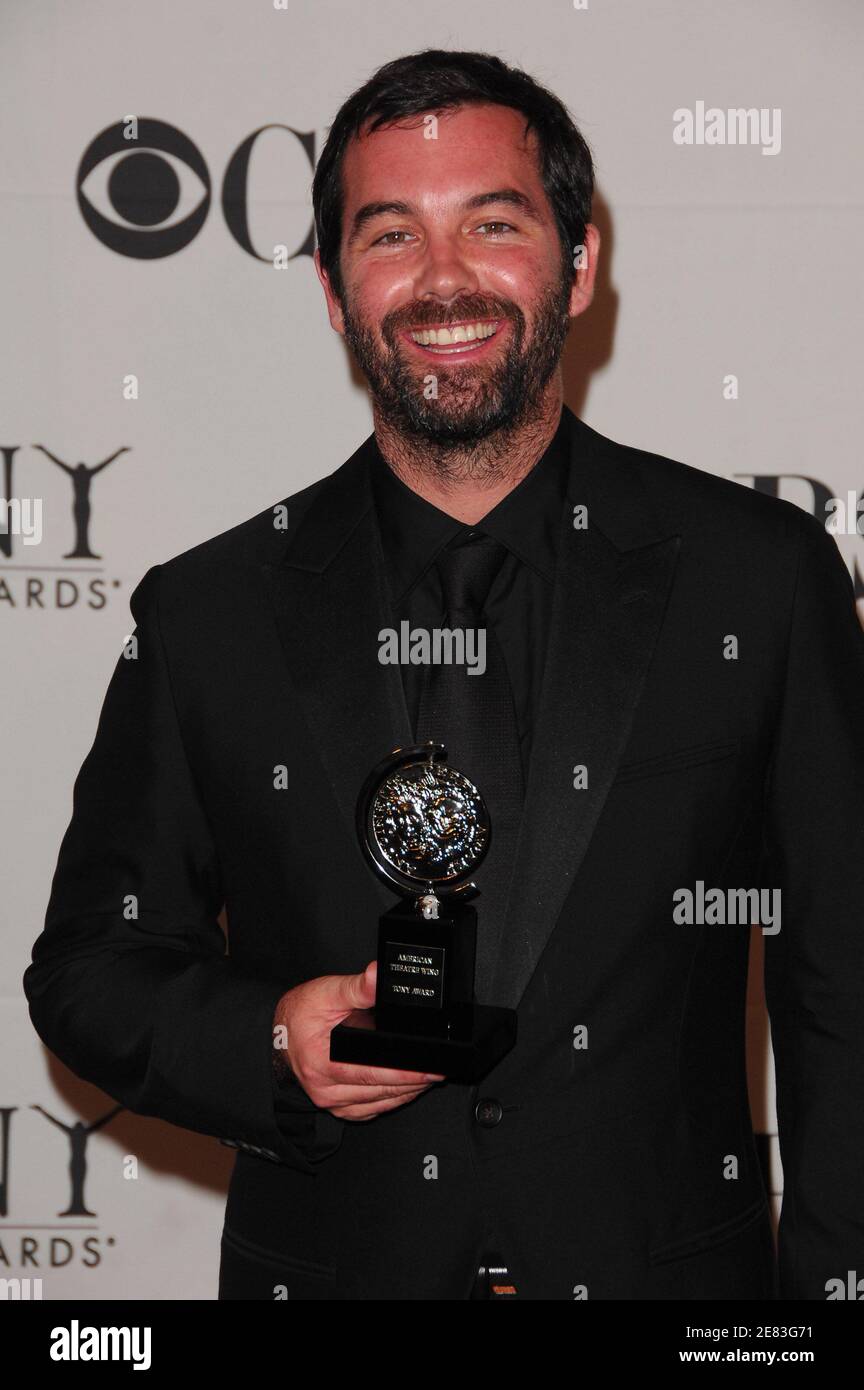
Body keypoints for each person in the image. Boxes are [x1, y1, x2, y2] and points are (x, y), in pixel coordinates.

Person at [24, 49, 864, 1301]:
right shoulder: (208, 612)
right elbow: (89, 967)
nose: (443, 280)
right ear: (329, 286)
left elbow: (843, 978)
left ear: (579, 266)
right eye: (389, 234)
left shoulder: (759, 580)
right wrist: (270, 1039)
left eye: (494, 223)